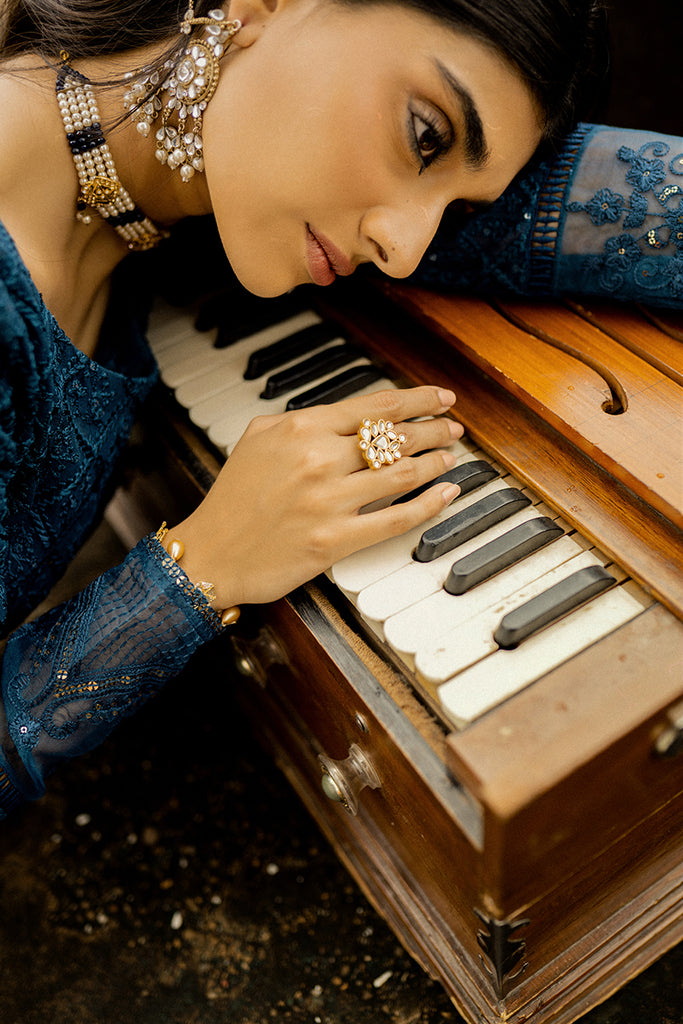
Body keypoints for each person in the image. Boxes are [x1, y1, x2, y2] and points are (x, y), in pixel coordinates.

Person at [0, 0, 676, 819]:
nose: (407, 248)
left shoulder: (157, 175)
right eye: (425, 137)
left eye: (455, 206)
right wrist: (197, 569)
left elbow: (610, 207)